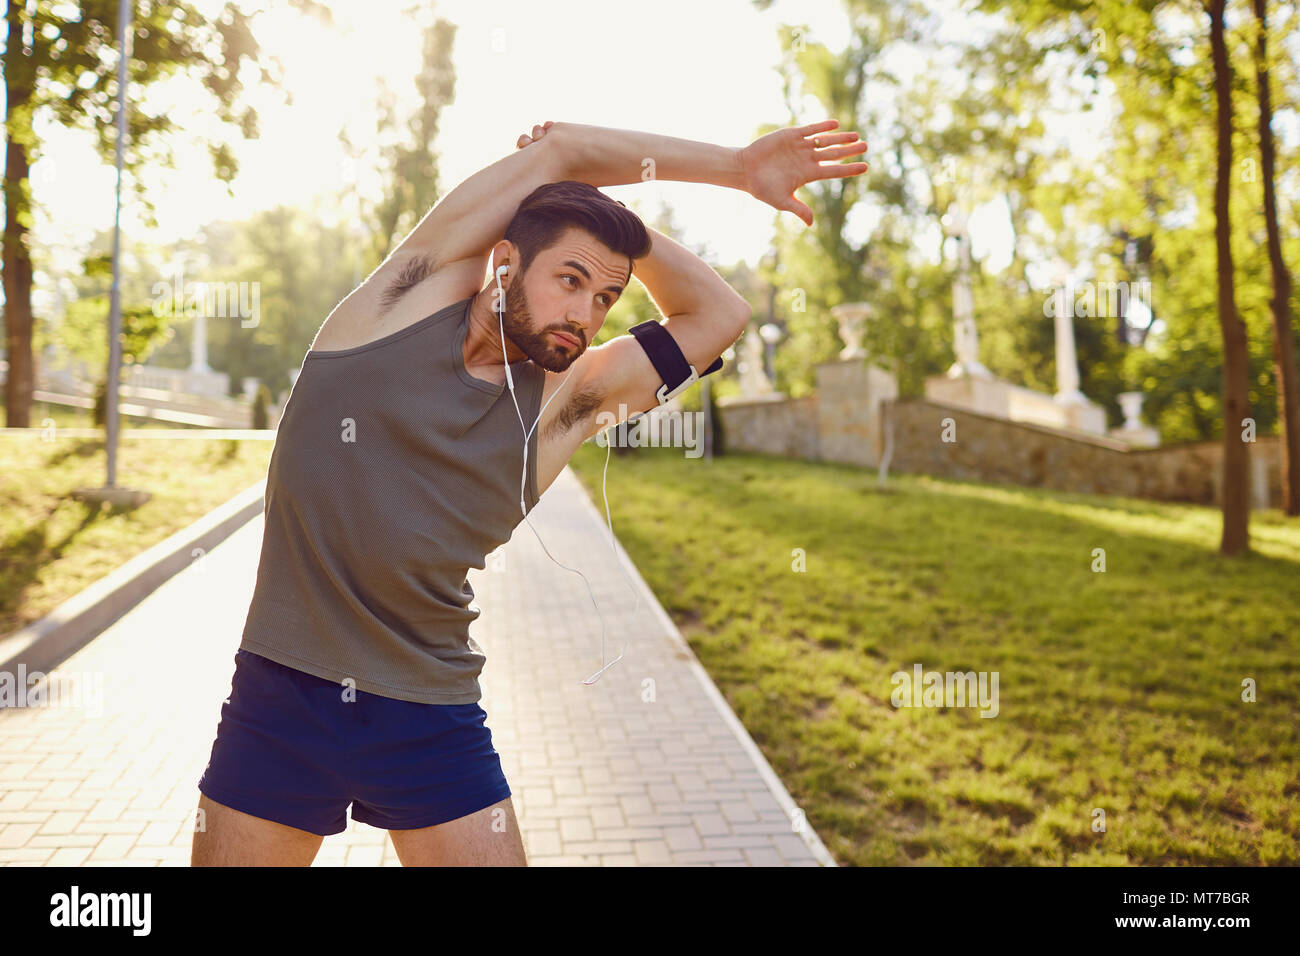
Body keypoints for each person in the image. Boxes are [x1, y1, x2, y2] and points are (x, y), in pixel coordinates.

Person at [190, 118, 868, 867]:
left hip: (430, 712)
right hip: (282, 699)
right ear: (506, 265)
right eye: (570, 281)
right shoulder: (403, 298)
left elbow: (720, 316)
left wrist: (621, 230)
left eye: (607, 296)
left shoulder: (569, 404)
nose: (585, 315)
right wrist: (735, 167)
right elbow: (562, 153)